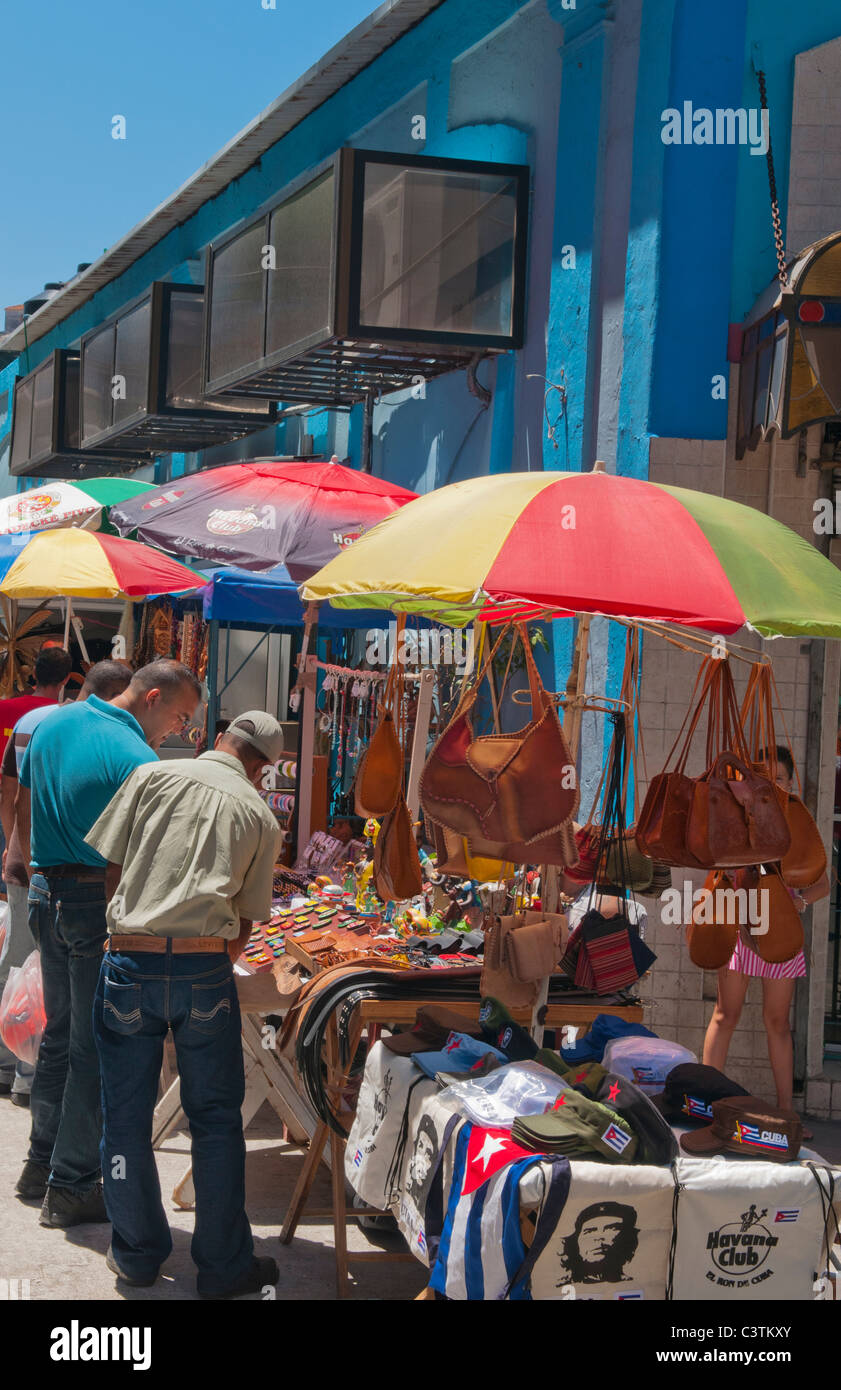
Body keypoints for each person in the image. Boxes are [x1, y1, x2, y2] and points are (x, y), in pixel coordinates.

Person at [86, 711, 283, 1299]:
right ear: (262, 768)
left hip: (129, 956)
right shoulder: (259, 815)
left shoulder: (151, 776)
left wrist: (133, 932)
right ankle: (223, 1268)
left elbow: (113, 871)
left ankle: (138, 1255)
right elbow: (243, 928)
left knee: (124, 1116)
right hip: (203, 968)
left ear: (215, 740)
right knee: (217, 1121)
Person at [13, 659, 202, 1227]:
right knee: (93, 1046)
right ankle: (70, 1185)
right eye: (180, 715)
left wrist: (22, 856)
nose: (181, 730)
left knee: (62, 1037)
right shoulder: (138, 759)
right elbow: (148, 854)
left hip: (46, 894)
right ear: (150, 698)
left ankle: (40, 1165)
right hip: (92, 902)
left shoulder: (51, 725)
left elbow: (22, 803)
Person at [0, 659, 132, 1107]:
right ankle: (26, 1080)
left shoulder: (31, 723)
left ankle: (14, 1070)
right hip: (74, 879)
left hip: (32, 868)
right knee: (66, 1007)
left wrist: (18, 849)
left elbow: (13, 794)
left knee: (25, 975)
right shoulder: (103, 735)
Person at [702, 745, 830, 1122]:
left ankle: (787, 1114)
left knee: (777, 1022)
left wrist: (799, 903)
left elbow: (824, 882)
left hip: (781, 936)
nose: (774, 785)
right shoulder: (736, 819)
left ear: (792, 784)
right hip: (739, 927)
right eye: (766, 778)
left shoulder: (798, 823)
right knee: (726, 1014)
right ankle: (707, 1107)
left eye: (781, 779)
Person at [0, 647, 74, 1104]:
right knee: (44, 966)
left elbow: (7, 788)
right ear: (66, 681)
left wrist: (10, 840)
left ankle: (7, 1060)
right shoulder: (66, 723)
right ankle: (27, 1072)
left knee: (14, 958)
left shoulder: (13, 716)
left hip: (14, 849)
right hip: (52, 862)